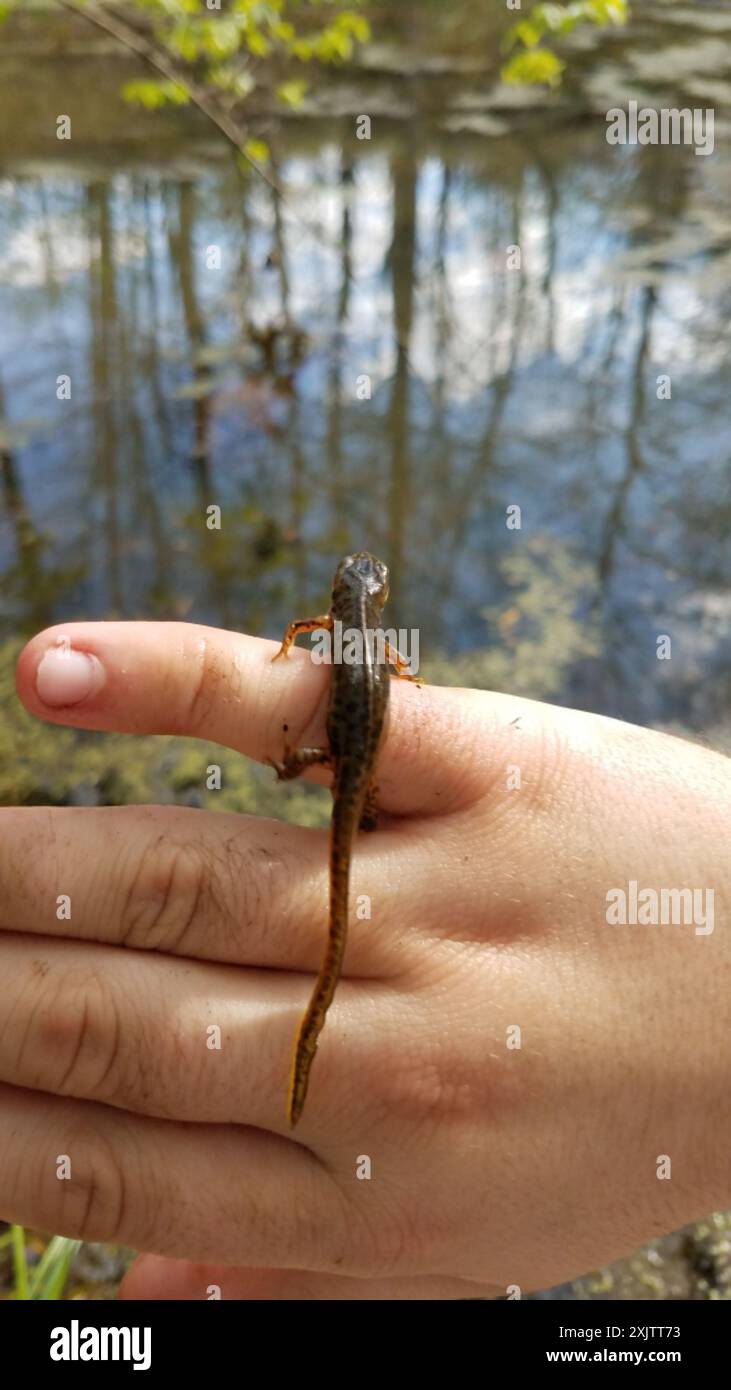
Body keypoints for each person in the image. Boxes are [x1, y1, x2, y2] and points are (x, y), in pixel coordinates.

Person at [0, 620, 728, 1301]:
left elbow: (302, 641)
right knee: (345, 859)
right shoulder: (374, 642)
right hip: (354, 765)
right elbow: (387, 666)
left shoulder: (331, 631)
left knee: (344, 854)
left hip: (339, 759)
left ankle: (306, 794)